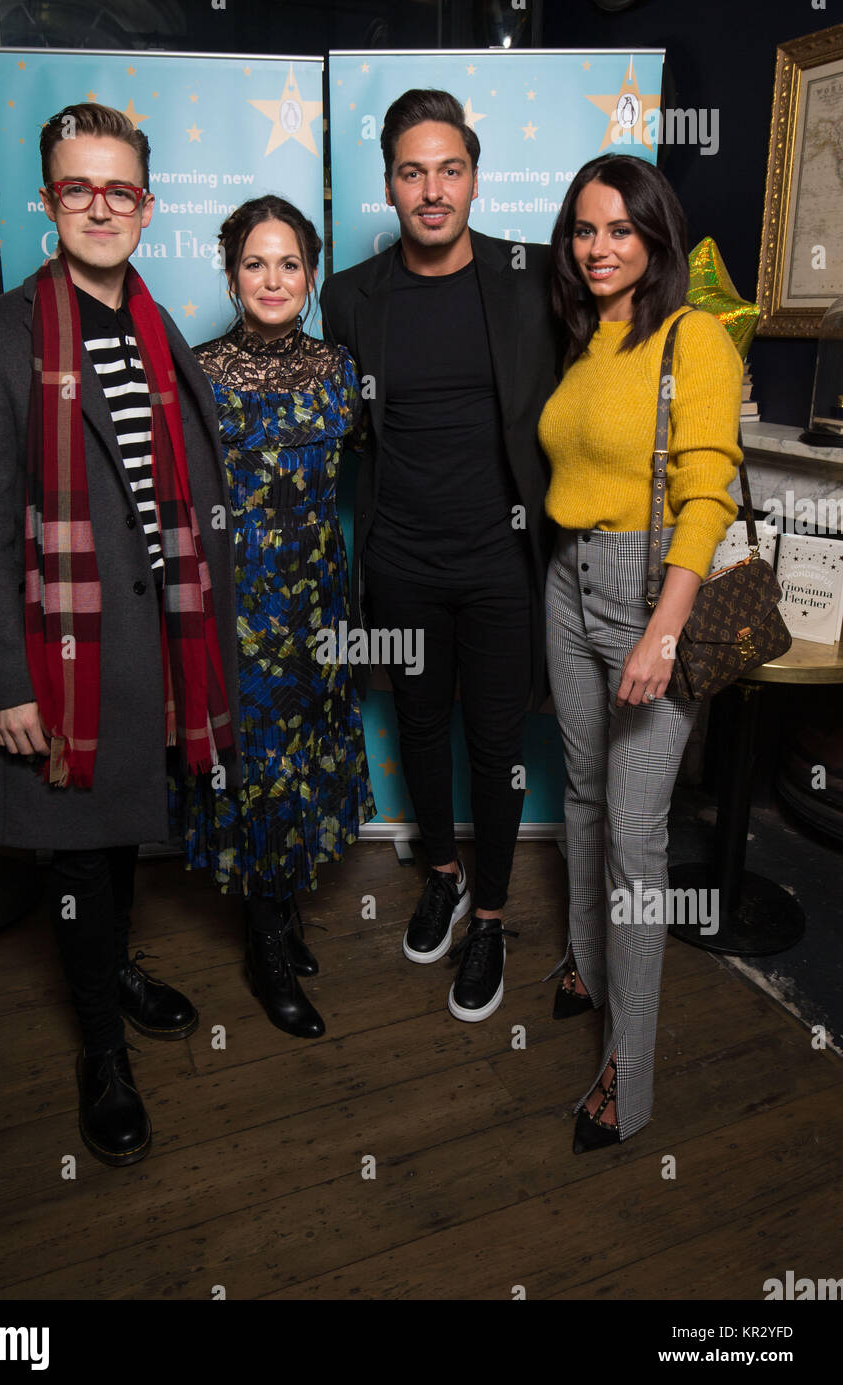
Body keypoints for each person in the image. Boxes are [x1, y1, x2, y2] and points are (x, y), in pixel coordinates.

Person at [0, 103, 240, 1167]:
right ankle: (100, 1048)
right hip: (58, 655)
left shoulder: (164, 334)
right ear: (48, 199)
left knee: (116, 838)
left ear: (146, 207)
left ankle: (109, 963)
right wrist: (4, 681)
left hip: (153, 642)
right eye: (77, 187)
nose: (99, 206)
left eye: (120, 189)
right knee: (74, 845)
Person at [320, 89, 558, 1022]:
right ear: (388, 184)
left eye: (448, 169)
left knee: (499, 746)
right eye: (412, 172)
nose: (431, 189)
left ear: (472, 176)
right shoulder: (349, 297)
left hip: (502, 563)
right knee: (420, 730)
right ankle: (443, 875)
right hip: (401, 561)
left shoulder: (530, 276)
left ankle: (491, 918)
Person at [539, 153, 742, 1153]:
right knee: (579, 788)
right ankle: (583, 959)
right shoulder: (587, 337)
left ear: (656, 233)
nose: (599, 248)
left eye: (620, 229)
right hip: (565, 580)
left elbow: (707, 494)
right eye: (584, 229)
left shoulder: (693, 337)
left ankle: (631, 1074)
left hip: (647, 589)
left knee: (635, 832)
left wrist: (663, 628)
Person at [170, 195, 375, 1039]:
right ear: (229, 274)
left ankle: (285, 914)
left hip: (318, 605)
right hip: (235, 607)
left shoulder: (338, 369)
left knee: (303, 761)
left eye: (289, 263)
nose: (272, 278)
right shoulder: (198, 372)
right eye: (255, 263)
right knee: (252, 767)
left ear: (311, 274)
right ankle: (263, 943)